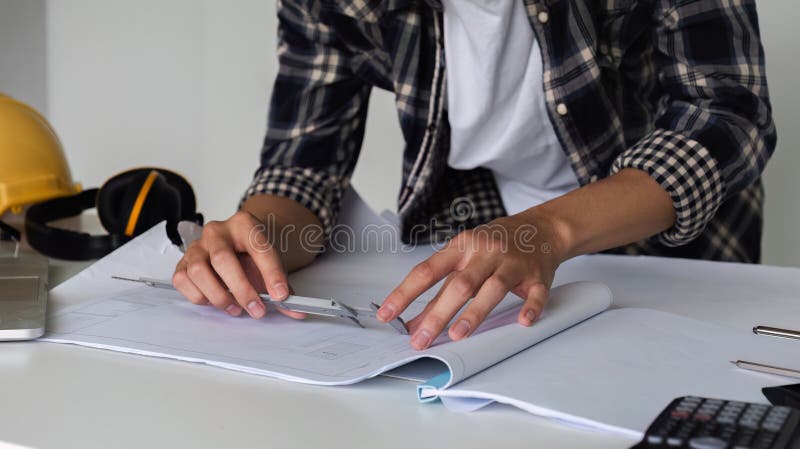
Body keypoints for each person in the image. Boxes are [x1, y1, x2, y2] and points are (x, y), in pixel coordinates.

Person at [172, 0, 775, 351]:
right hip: (480, 260)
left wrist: (545, 232)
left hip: (668, 249)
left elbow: (727, 116)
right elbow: (304, 164)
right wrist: (257, 236)